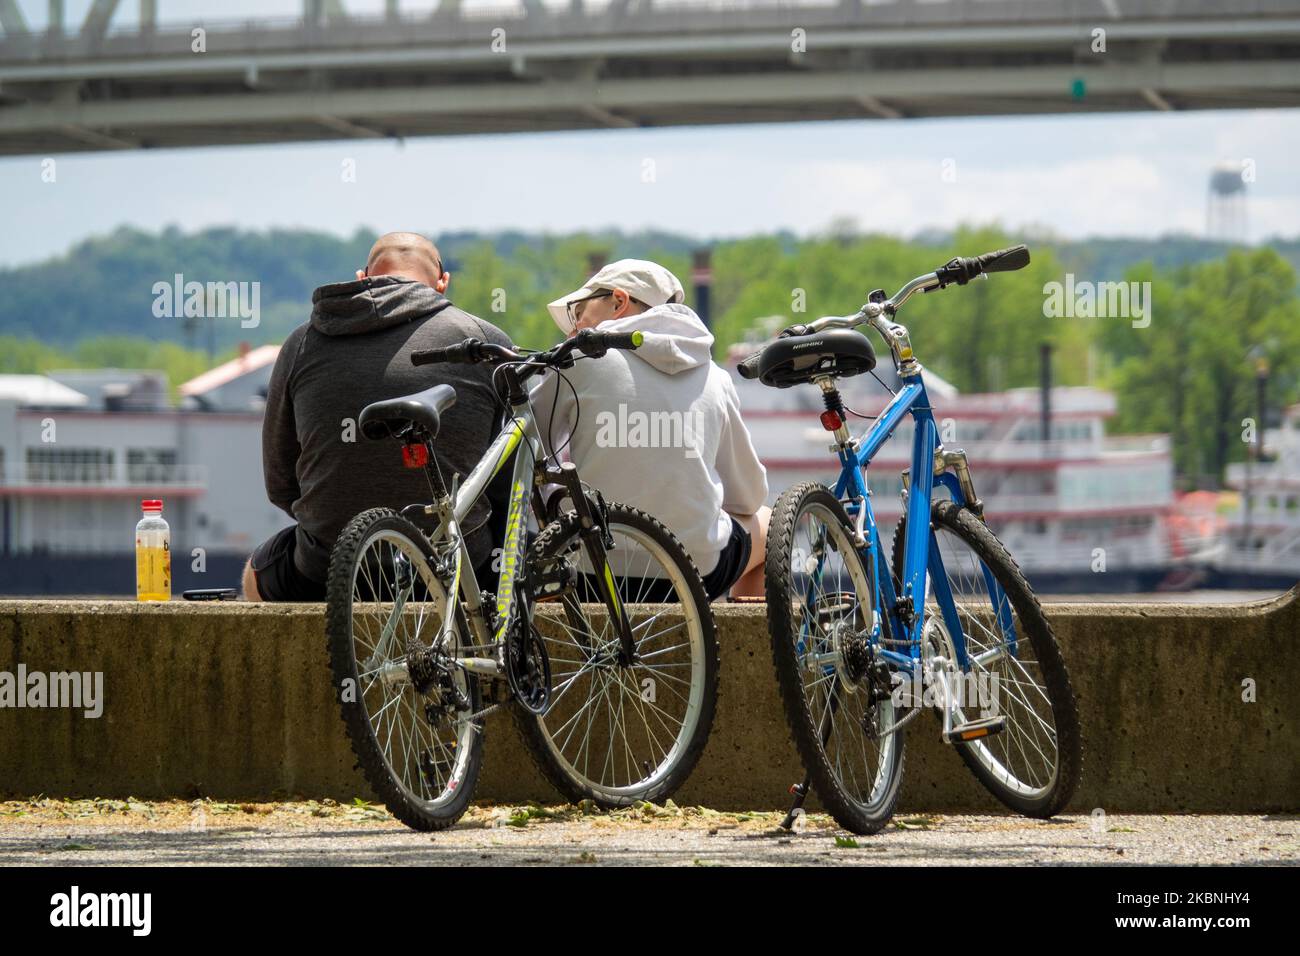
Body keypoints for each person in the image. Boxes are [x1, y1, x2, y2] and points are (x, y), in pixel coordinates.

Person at [242, 232, 513, 601]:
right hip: (459, 565)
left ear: (362, 278)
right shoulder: (484, 340)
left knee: (255, 572)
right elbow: (507, 482)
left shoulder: (302, 343)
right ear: (442, 283)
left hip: (328, 567)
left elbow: (280, 483)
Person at [531, 258, 769, 600]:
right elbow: (747, 495)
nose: (574, 327)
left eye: (579, 311)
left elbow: (525, 452)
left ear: (618, 301)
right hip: (690, 572)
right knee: (770, 521)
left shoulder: (576, 358)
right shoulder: (716, 377)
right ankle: (745, 649)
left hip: (592, 571)